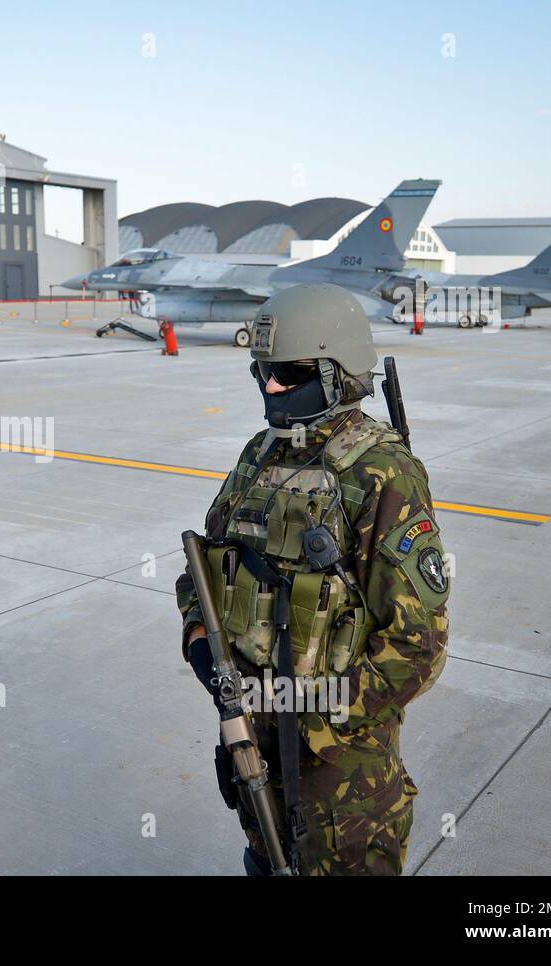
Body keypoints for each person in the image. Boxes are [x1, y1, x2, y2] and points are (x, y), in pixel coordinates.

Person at [175, 282, 450, 876]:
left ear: (339, 372)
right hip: (252, 741)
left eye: (290, 373)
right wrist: (201, 642)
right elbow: (205, 568)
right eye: (262, 371)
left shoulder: (381, 473)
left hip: (341, 777)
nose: (272, 387)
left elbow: (416, 648)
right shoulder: (260, 455)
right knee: (263, 862)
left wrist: (315, 717)